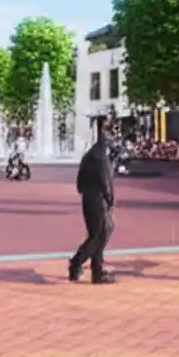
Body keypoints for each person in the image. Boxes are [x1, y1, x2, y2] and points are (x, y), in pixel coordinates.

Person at [68, 122, 116, 284]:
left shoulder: (89, 155)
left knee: (98, 234)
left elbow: (79, 183)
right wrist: (109, 199)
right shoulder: (100, 156)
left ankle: (97, 271)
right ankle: (77, 262)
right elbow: (105, 180)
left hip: (88, 198)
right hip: (98, 199)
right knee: (100, 235)